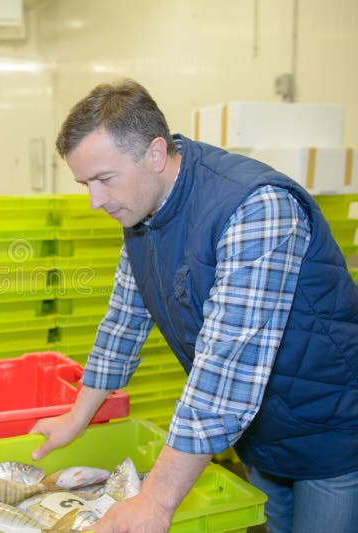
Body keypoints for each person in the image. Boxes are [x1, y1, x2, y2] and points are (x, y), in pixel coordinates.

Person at [29, 79, 358, 532]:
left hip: (332, 432)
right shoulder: (143, 209)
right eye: (85, 183)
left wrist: (157, 503)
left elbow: (225, 374)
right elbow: (124, 321)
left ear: (156, 153)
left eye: (104, 180)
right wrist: (76, 416)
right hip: (263, 435)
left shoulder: (255, 206)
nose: (95, 201)